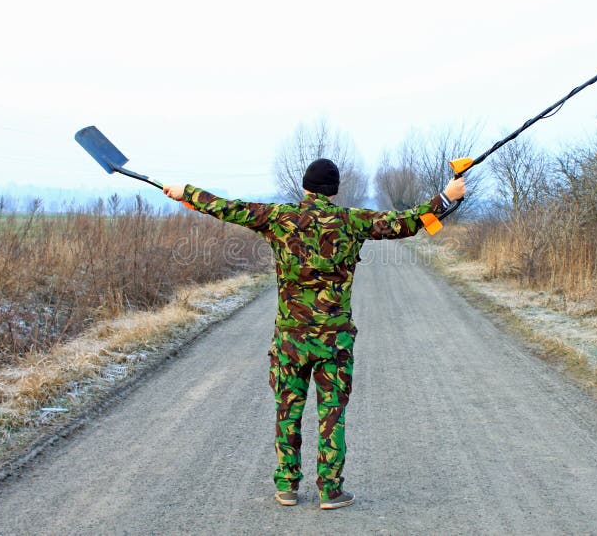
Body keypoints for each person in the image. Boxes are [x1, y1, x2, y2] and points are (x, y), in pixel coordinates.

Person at [163, 159, 466, 510]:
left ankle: (287, 487)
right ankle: (330, 490)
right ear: (334, 191)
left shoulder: (279, 217)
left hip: (290, 341)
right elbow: (407, 222)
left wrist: (186, 192)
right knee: (332, 414)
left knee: (287, 411)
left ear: (305, 187)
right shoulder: (351, 221)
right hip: (334, 341)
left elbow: (228, 208)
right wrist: (447, 197)